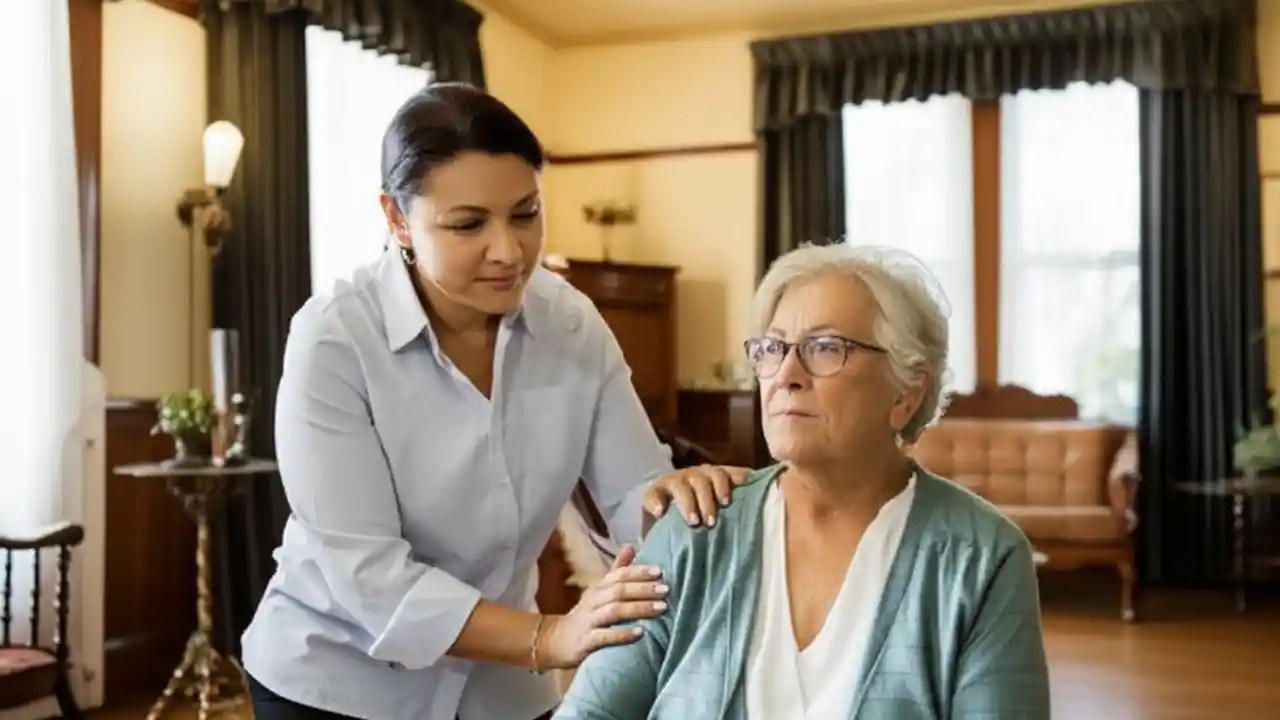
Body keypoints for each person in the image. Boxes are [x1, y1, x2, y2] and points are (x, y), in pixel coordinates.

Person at [239, 83, 746, 720]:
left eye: (526, 213)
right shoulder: (335, 339)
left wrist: (673, 500)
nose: (508, 251)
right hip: (340, 681)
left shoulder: (571, 323)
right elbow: (365, 573)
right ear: (396, 218)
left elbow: (629, 492)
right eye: (469, 224)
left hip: (500, 692)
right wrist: (549, 637)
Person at [554, 243, 1051, 719]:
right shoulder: (696, 526)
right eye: (773, 348)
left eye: (826, 348)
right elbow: (592, 710)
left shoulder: (982, 557)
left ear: (906, 392)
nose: (786, 373)